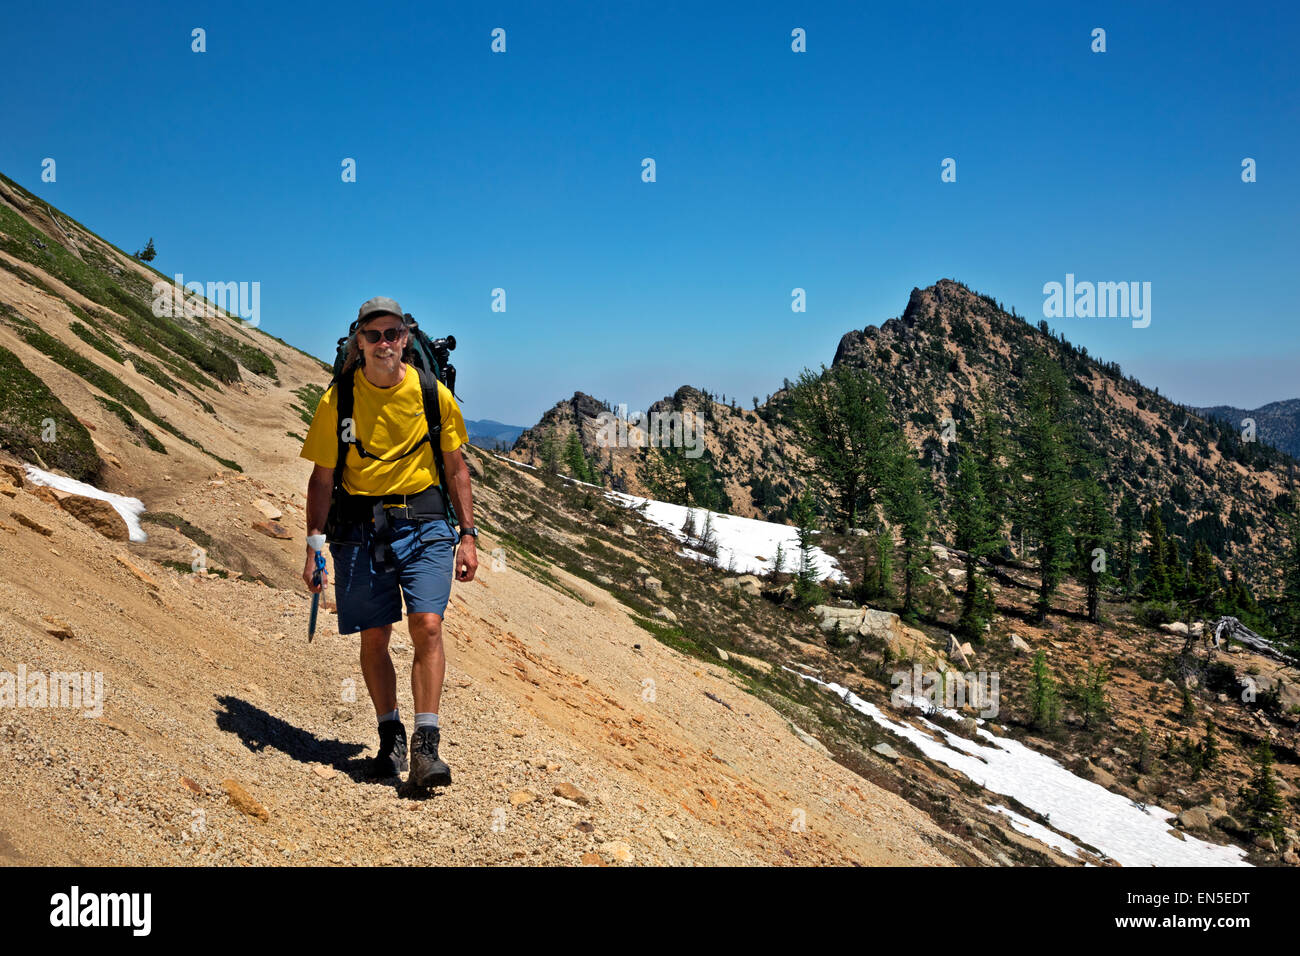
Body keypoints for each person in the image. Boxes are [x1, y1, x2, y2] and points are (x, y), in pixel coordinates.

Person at [299, 296, 478, 789]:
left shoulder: (431, 394)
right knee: (375, 636)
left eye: (392, 334)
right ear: (359, 341)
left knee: (428, 624)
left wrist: (467, 534)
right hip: (359, 529)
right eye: (373, 335)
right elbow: (322, 477)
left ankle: (426, 747)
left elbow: (456, 469)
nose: (384, 343)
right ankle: (389, 735)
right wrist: (315, 544)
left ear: (405, 339)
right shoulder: (339, 402)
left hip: (424, 523)